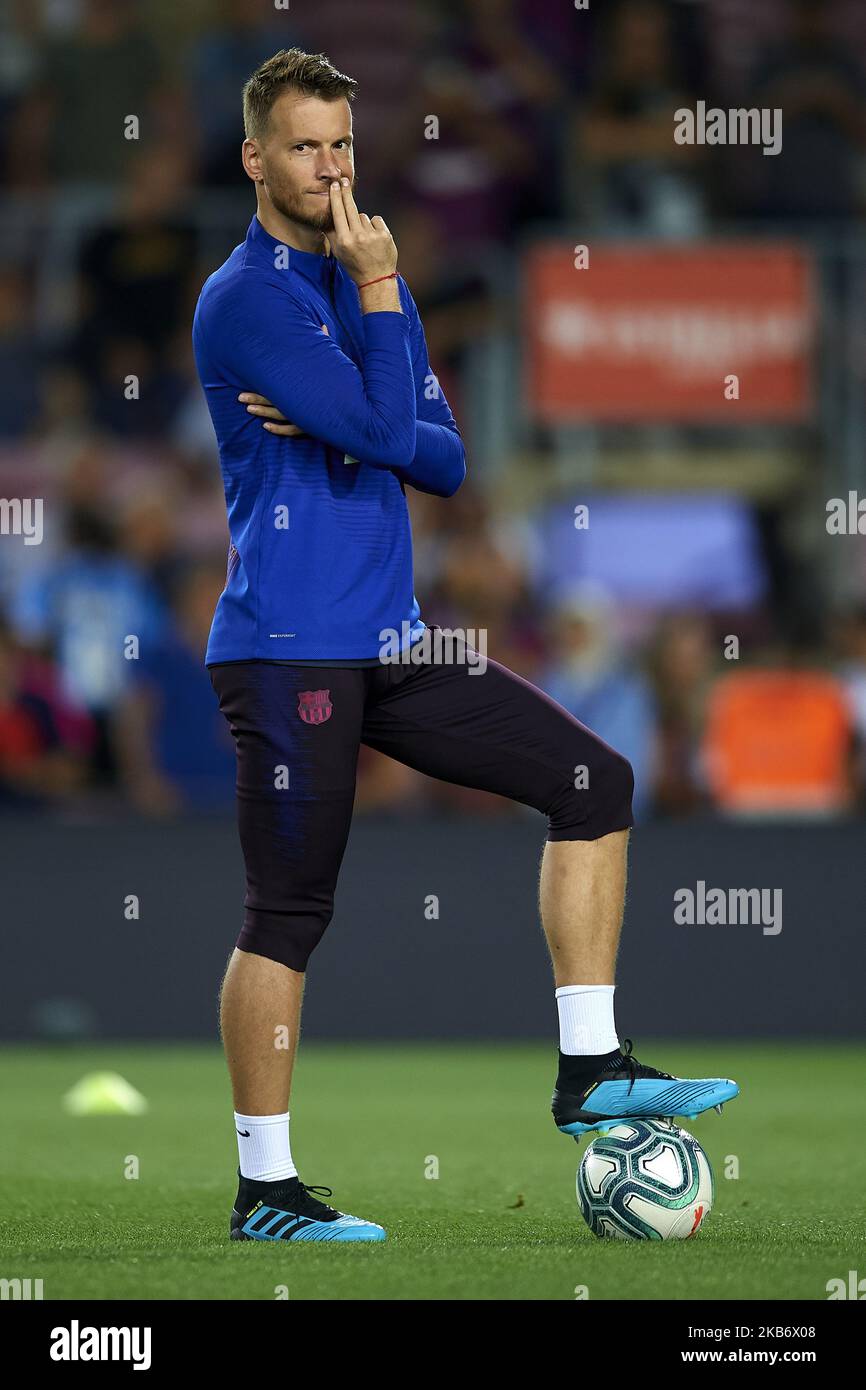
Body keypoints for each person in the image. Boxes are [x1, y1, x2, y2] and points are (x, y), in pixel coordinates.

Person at [192, 47, 738, 1245]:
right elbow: (396, 427)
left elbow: (439, 458)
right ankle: (265, 1190)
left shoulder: (362, 280)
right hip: (289, 648)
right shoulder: (248, 300)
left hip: (389, 640)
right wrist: (381, 316)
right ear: (254, 159)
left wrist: (376, 342)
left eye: (341, 144)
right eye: (303, 146)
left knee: (592, 780)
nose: (329, 167)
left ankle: (588, 1067)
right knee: (287, 911)